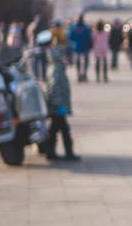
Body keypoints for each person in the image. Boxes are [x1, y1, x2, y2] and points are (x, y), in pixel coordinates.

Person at [38, 31, 78, 161]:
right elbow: (55, 88)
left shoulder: (56, 68)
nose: (67, 60)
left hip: (58, 105)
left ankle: (52, 152)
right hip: (58, 105)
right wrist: (58, 105)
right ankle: (67, 153)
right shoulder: (57, 70)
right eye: (65, 57)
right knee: (63, 129)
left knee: (56, 128)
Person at [68, 14, 92, 83]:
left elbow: (70, 37)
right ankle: (84, 73)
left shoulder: (73, 27)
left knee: (78, 61)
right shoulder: (86, 27)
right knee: (85, 61)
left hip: (77, 46)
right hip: (84, 46)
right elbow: (89, 37)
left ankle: (79, 74)